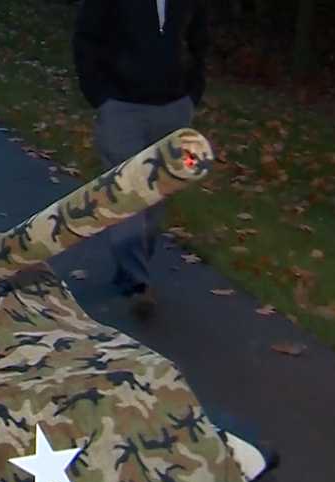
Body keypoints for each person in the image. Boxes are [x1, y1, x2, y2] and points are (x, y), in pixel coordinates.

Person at [72, 0, 208, 318]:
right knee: (125, 192)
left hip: (173, 108)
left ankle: (131, 269)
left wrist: (192, 93)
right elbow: (85, 38)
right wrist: (100, 96)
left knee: (155, 198)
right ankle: (137, 283)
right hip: (121, 107)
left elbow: (200, 42)